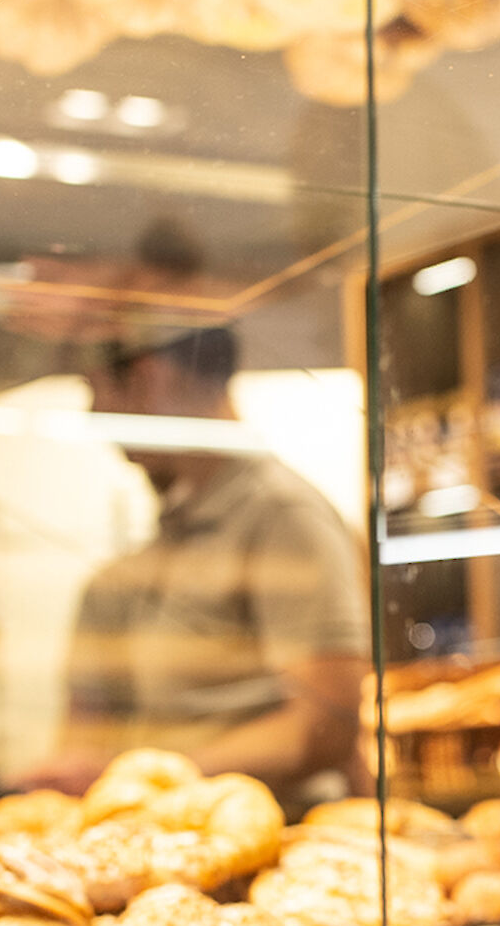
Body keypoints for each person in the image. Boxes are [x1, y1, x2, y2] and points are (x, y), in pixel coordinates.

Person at [28, 325, 369, 810]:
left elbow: (323, 728)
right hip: (172, 838)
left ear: (152, 378)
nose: (93, 418)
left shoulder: (281, 515)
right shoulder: (168, 533)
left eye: (95, 391)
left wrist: (150, 783)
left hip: (275, 841)